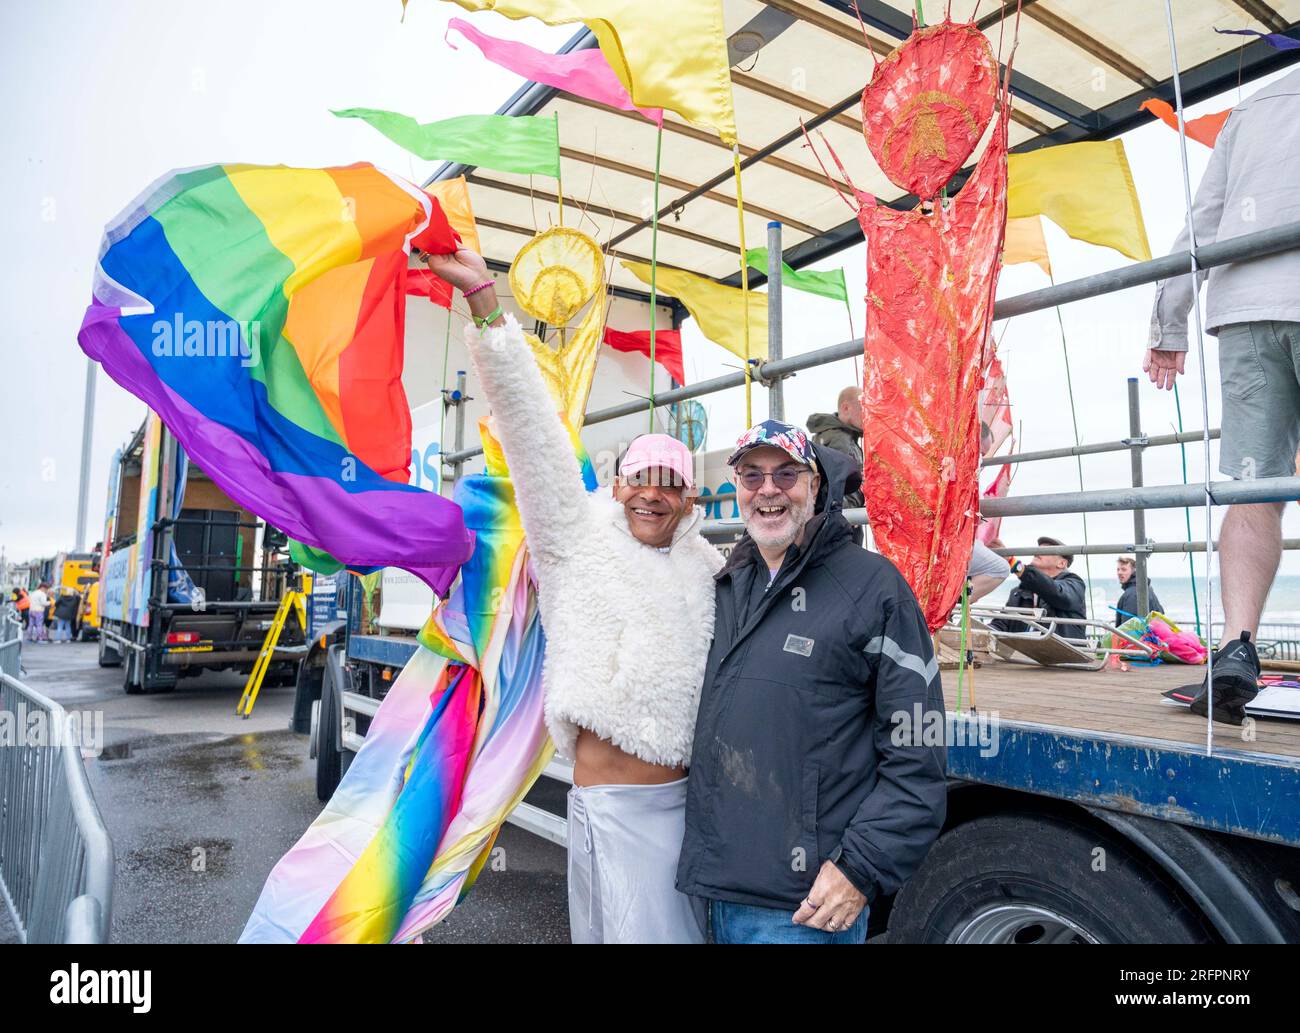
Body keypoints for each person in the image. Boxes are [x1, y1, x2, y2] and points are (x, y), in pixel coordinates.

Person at [425, 246, 723, 944]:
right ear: (617, 485)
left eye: (670, 481)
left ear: (689, 497)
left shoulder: (712, 569)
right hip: (600, 808)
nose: (652, 490)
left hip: (683, 812)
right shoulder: (575, 539)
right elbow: (534, 437)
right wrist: (487, 309)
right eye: (639, 476)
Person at [676, 420, 947, 944]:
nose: (768, 489)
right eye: (752, 477)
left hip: (804, 908)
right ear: (737, 490)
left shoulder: (873, 588)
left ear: (816, 484)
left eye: (786, 474)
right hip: (713, 891)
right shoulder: (728, 586)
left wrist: (860, 869)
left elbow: (919, 745)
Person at [1143, 67, 1300, 723]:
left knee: (1251, 486)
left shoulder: (1254, 106)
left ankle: (1237, 646)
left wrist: (1166, 322)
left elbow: (1201, 223)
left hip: (1245, 309)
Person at [989, 537, 1087, 641]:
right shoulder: (1018, 592)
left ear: (1062, 563)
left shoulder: (1075, 584)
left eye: (1046, 550)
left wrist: (1014, 564)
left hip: (1063, 655)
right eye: (1038, 549)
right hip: (1022, 654)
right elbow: (1002, 624)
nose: (1037, 552)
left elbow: (1056, 593)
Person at [807, 387, 865, 544]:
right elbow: (842, 484)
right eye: (863, 408)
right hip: (842, 529)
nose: (868, 415)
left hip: (828, 525)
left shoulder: (824, 435)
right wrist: (850, 514)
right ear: (846, 408)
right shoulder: (841, 440)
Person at [1114, 556, 1163, 621]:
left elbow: (1128, 626)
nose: (1119, 572)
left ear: (1134, 571)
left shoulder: (1133, 594)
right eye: (1118, 569)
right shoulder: (1146, 588)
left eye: (1124, 569)